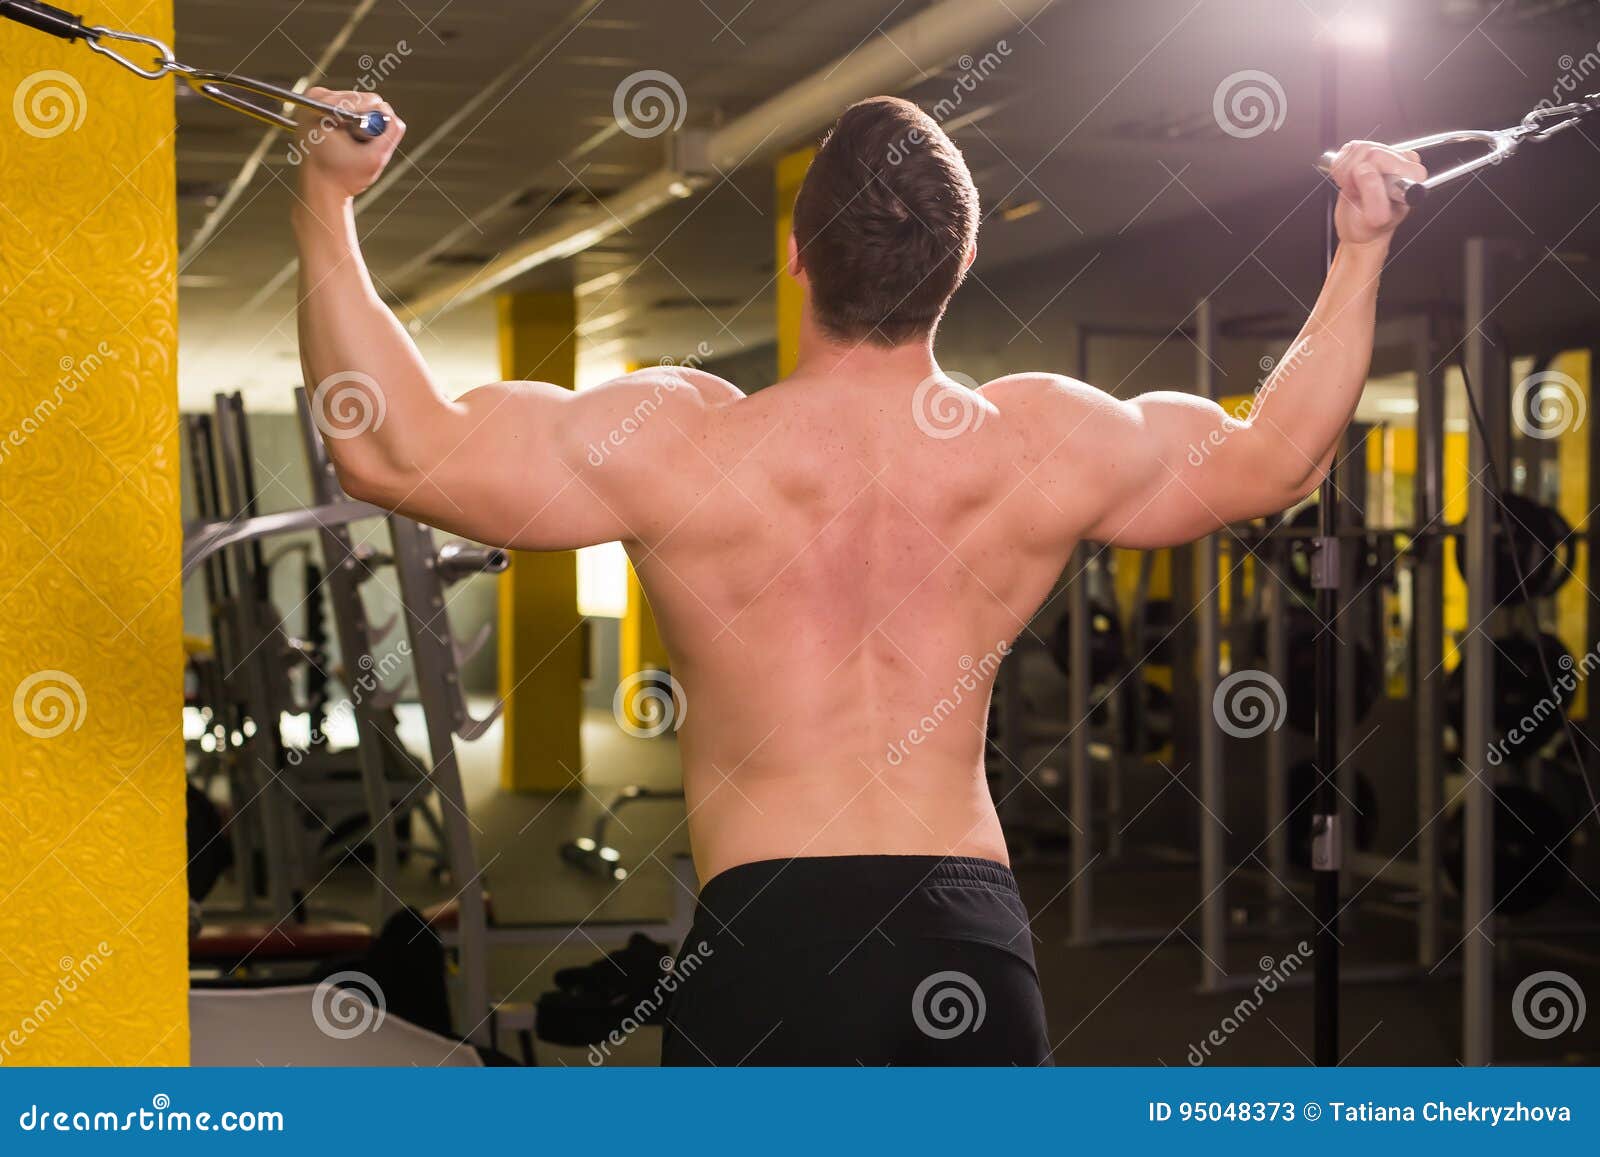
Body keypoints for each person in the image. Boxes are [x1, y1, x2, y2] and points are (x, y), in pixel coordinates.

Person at [291, 89, 1424, 1065]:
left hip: (769, 944)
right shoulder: (1038, 438)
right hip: (967, 942)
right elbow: (1280, 458)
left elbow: (388, 445)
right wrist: (1360, 247)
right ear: (960, 259)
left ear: (795, 256)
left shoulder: (679, 440)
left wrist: (327, 199)